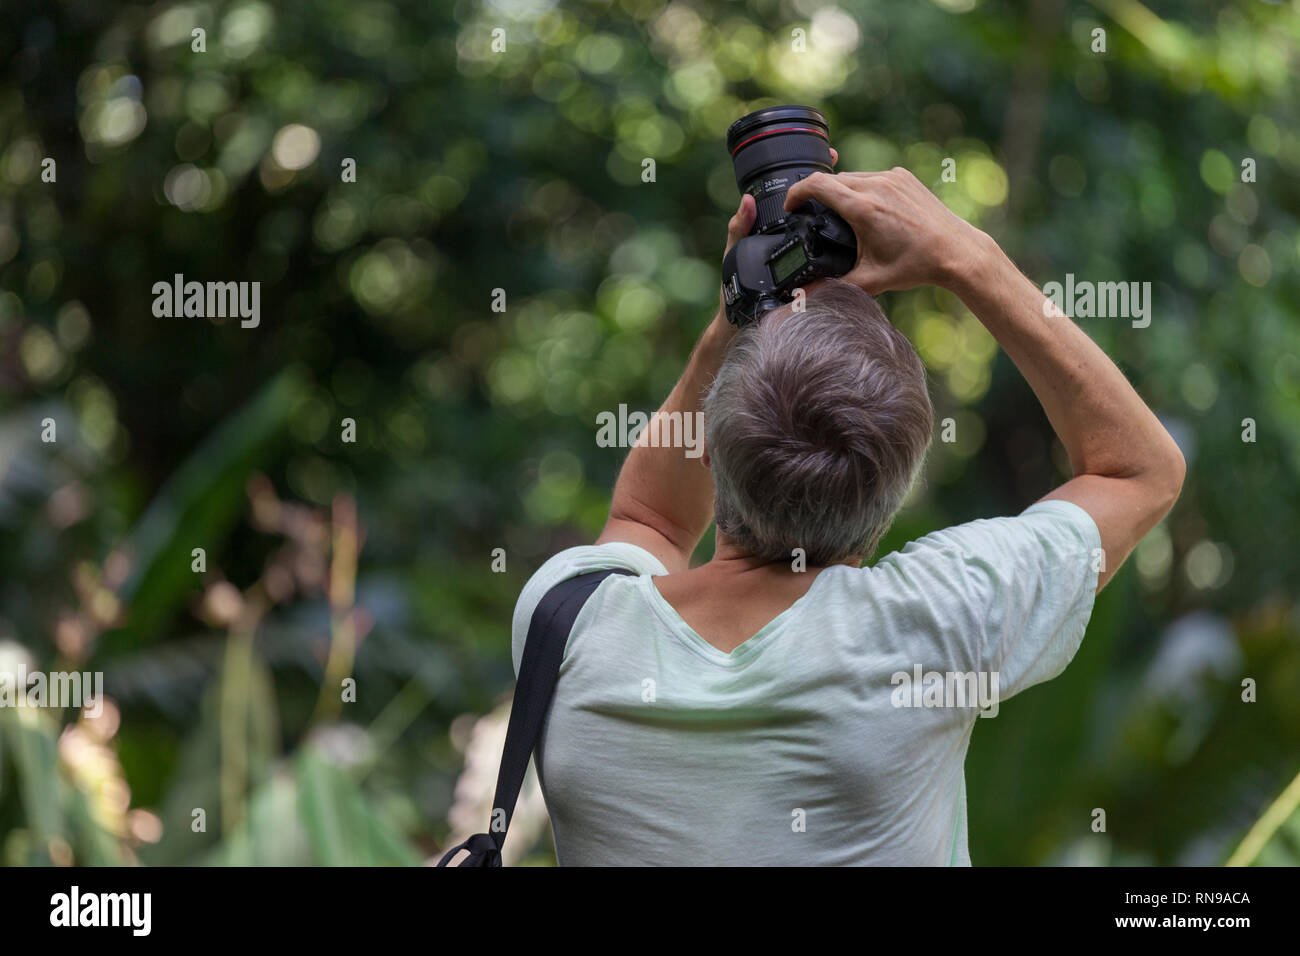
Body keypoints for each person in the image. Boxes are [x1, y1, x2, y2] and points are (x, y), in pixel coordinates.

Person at [511, 167, 1185, 865]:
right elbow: (1139, 469)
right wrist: (967, 258)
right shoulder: (931, 622)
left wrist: (736, 311)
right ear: (895, 493)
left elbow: (649, 517)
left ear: (708, 448)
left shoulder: (568, 621)